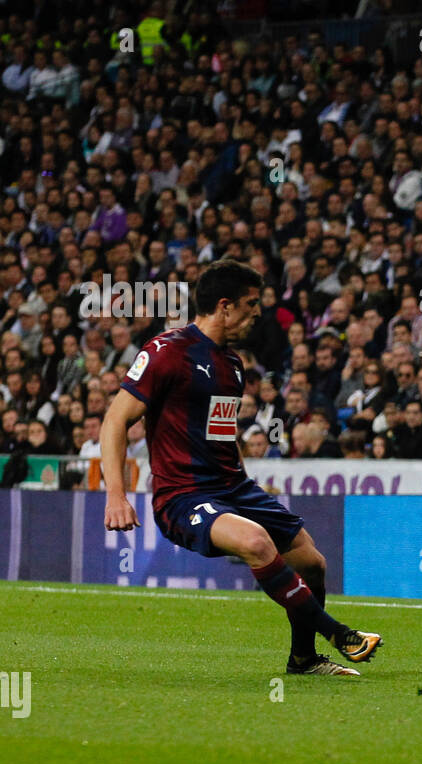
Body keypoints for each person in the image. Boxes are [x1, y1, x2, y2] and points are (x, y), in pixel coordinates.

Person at [101, 259, 384, 677]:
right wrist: (116, 495)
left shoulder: (233, 365)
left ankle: (304, 659)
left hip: (234, 487)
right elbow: (114, 421)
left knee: (313, 563)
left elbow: (220, 431)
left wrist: (244, 480)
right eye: (251, 305)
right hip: (183, 495)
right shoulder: (165, 351)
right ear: (225, 306)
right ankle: (341, 635)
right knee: (255, 542)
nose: (257, 314)